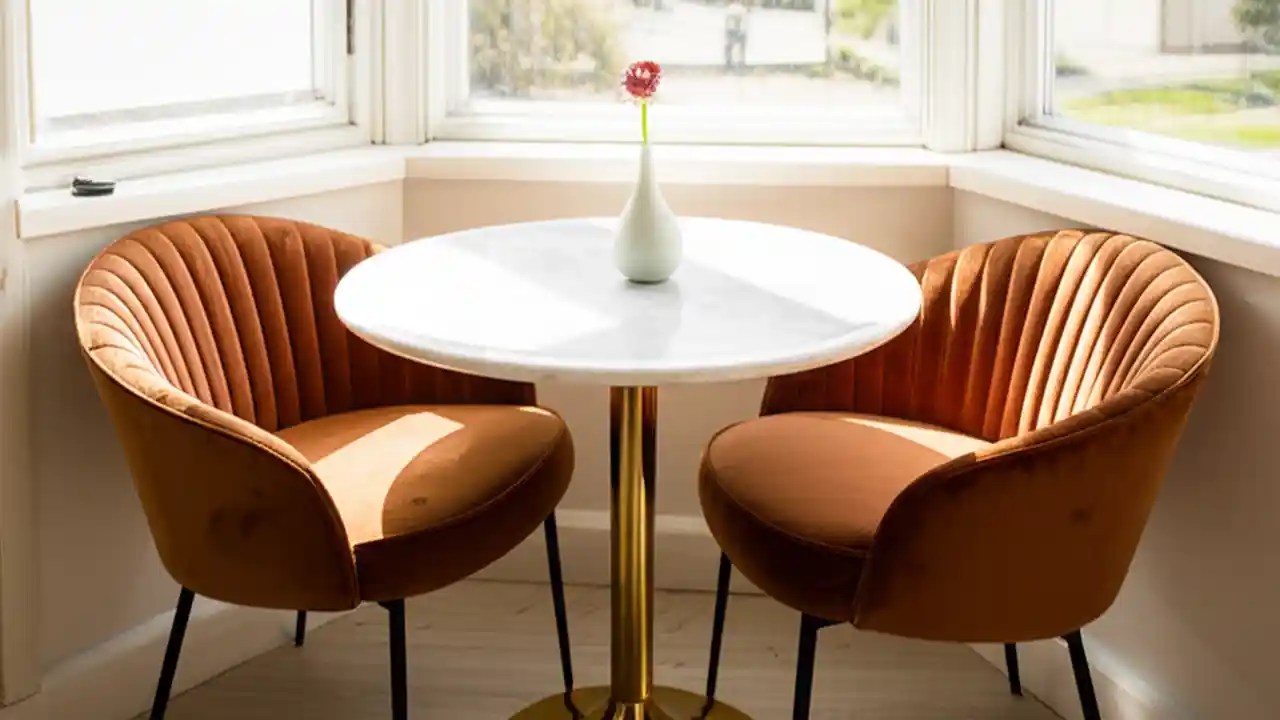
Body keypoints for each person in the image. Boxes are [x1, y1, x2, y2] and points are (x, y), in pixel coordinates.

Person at [724, 0, 749, 70]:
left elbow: (728, 20)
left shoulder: (730, 8)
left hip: (731, 29)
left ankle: (730, 63)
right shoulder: (742, 9)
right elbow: (743, 20)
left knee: (730, 47)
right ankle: (740, 63)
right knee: (740, 47)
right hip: (737, 29)